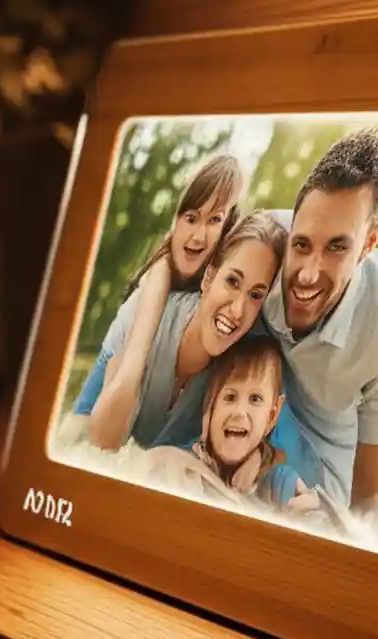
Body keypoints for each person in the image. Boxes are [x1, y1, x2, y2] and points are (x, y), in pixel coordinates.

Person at [261, 128, 378, 524]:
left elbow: (372, 498)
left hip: (342, 453)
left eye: (337, 247)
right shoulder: (259, 249)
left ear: (370, 242)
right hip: (264, 420)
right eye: (301, 244)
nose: (307, 274)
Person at [69, 211, 291, 452]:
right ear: (209, 277)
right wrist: (135, 362)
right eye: (232, 282)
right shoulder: (145, 312)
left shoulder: (245, 364)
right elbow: (90, 436)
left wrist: (255, 458)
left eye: (256, 295)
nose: (238, 310)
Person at [71, 154, 245, 448]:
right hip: (109, 386)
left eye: (215, 220)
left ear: (228, 226)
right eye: (191, 218)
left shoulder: (222, 282)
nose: (198, 235)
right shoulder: (161, 272)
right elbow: (133, 362)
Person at [147, 335, 319, 513]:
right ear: (210, 406)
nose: (239, 412)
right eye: (230, 397)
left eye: (255, 399)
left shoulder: (278, 484)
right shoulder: (179, 465)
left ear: (272, 416)